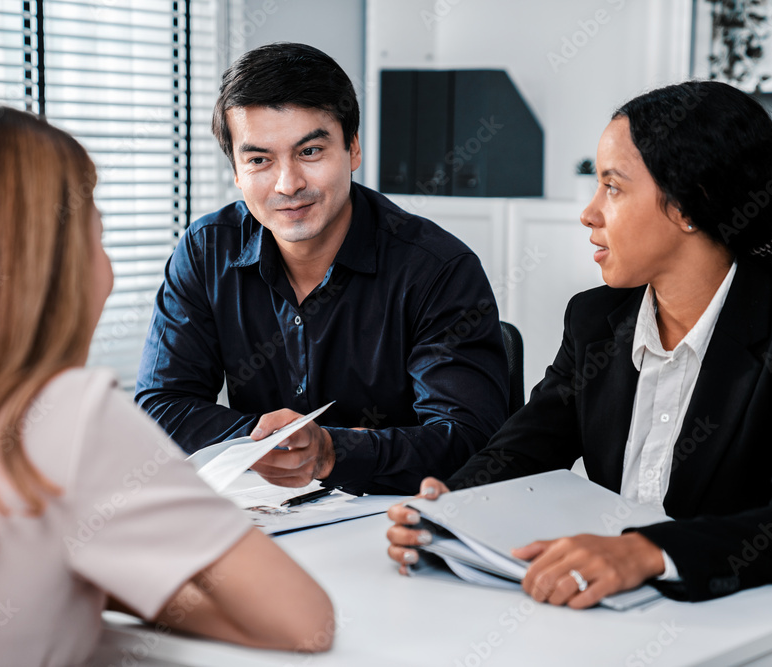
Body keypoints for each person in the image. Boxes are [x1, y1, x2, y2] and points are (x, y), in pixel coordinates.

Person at [0, 104, 334, 667]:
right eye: (98, 238)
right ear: (55, 263)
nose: (109, 269)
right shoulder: (66, 415)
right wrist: (130, 577)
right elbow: (305, 621)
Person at [386, 80, 772, 606]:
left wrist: (647, 552)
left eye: (612, 188)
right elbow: (523, 449)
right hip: (602, 611)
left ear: (689, 205)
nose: (589, 213)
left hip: (727, 612)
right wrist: (450, 505)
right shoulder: (595, 320)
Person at [134, 42, 509, 496]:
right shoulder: (205, 251)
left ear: (352, 149)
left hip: (397, 523)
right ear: (235, 170)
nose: (288, 183)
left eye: (310, 151)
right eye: (259, 160)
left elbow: (470, 441)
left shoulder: (438, 269)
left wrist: (332, 453)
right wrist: (272, 444)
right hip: (264, 516)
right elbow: (161, 405)